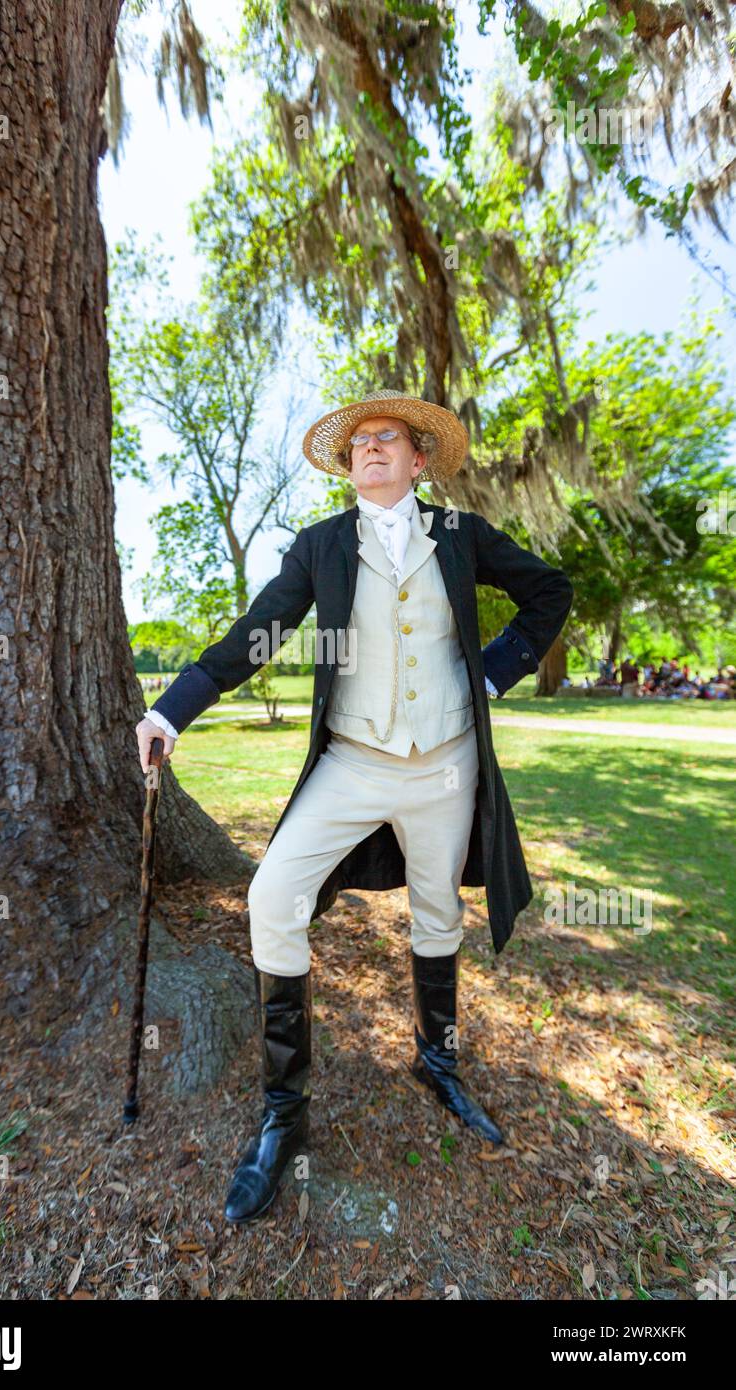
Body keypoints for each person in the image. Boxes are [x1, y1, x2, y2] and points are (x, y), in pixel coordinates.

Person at [134, 390, 574, 1223]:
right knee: (272, 899)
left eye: (391, 438)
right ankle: (283, 1116)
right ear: (349, 466)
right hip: (352, 762)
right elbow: (256, 635)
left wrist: (489, 673)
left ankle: (437, 1061)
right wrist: (170, 711)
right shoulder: (321, 547)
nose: (373, 448)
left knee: (440, 913)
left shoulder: (461, 535)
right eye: (361, 442)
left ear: (417, 461)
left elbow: (549, 593)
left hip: (444, 766)